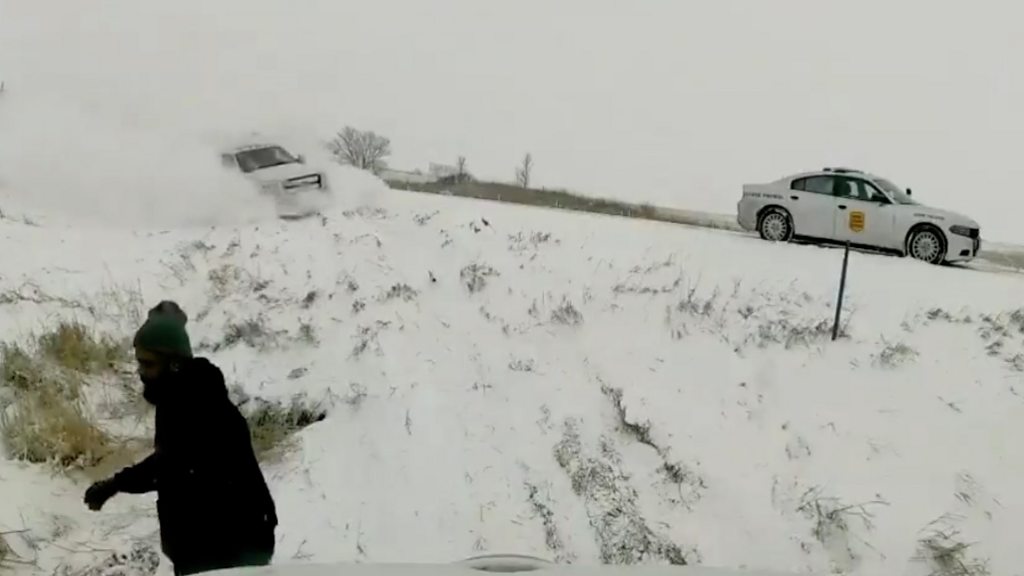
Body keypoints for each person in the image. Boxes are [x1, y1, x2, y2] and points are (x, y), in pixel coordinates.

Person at [84, 301, 278, 576]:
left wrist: (116, 484)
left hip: (230, 541)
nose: (140, 372)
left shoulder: (198, 403)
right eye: (139, 362)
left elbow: (169, 465)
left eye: (148, 363)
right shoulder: (178, 395)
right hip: (208, 539)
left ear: (174, 364)